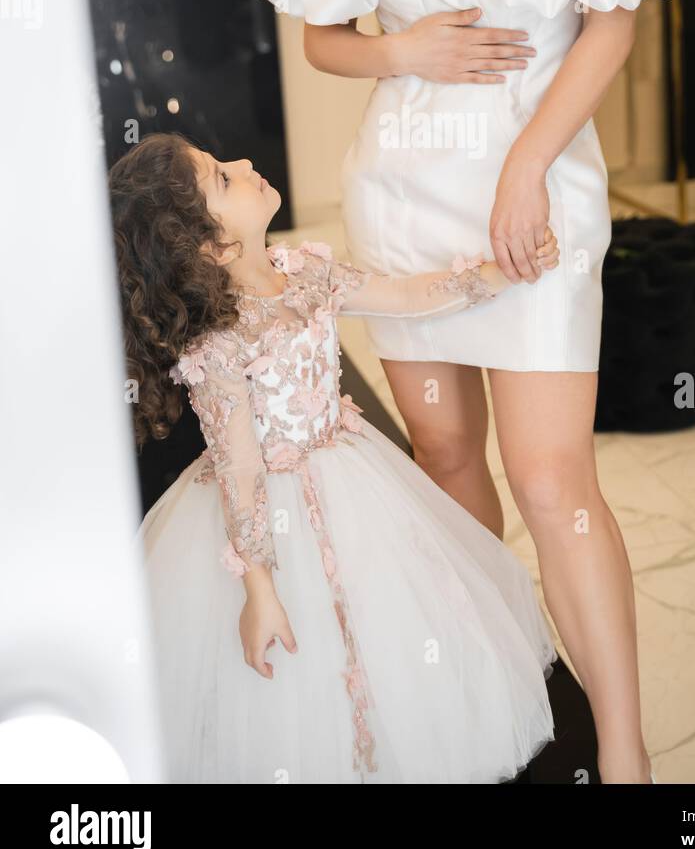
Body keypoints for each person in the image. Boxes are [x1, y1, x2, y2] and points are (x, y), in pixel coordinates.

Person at [234, 0, 695, 785]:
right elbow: (323, 44)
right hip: (401, 187)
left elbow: (609, 27)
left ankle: (623, 754)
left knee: (554, 479)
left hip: (533, 182)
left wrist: (526, 167)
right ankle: (496, 711)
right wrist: (396, 52)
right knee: (448, 459)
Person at [114, 131, 562, 783]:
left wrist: (498, 273)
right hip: (270, 512)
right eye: (222, 178)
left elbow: (407, 295)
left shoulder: (306, 273)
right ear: (210, 244)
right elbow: (241, 475)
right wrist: (260, 591)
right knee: (309, 673)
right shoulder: (221, 346)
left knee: (391, 638)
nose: (244, 162)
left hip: (351, 472)